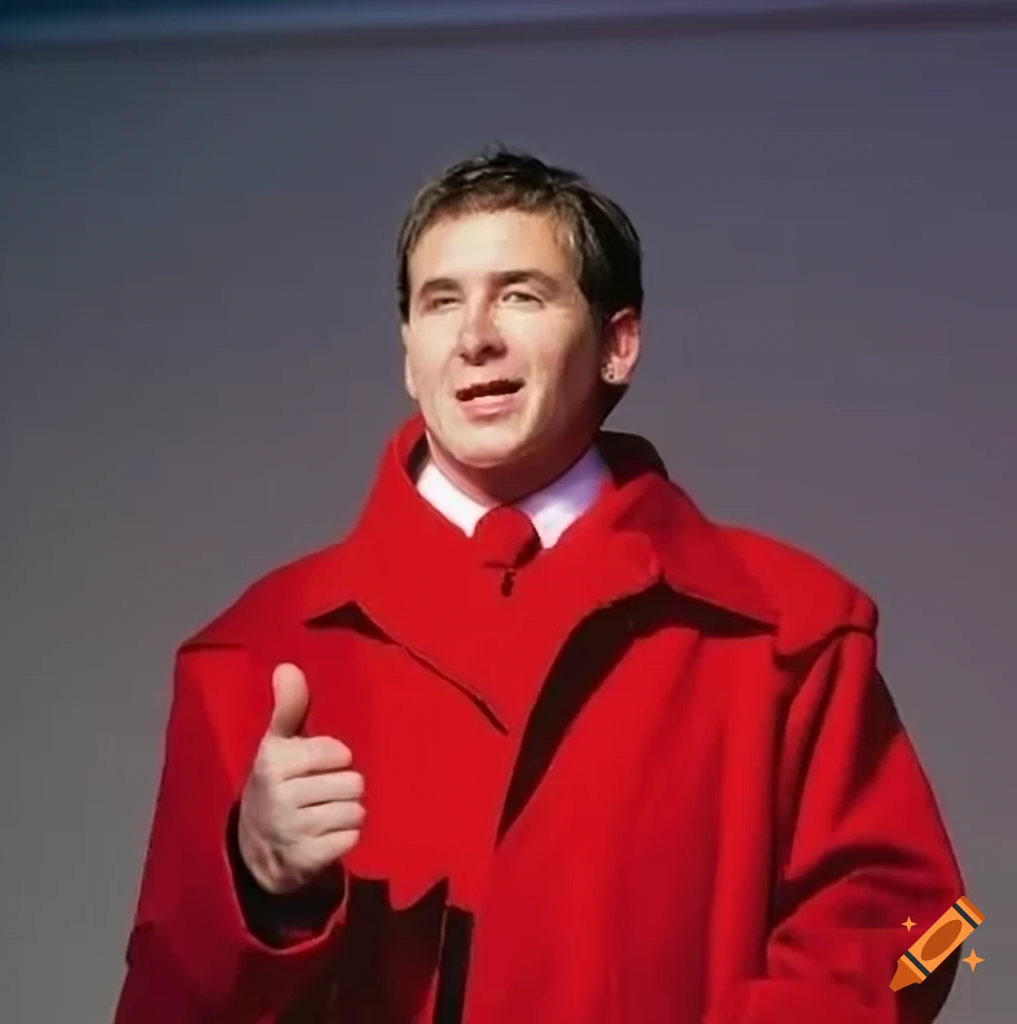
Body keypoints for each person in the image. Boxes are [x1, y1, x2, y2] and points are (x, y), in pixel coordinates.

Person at [114, 147, 964, 1024]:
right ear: (410, 357)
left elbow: (936, 930)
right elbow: (161, 1001)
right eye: (441, 301)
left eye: (520, 294)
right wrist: (259, 888)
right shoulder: (253, 653)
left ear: (617, 345)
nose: (476, 334)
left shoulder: (791, 628)